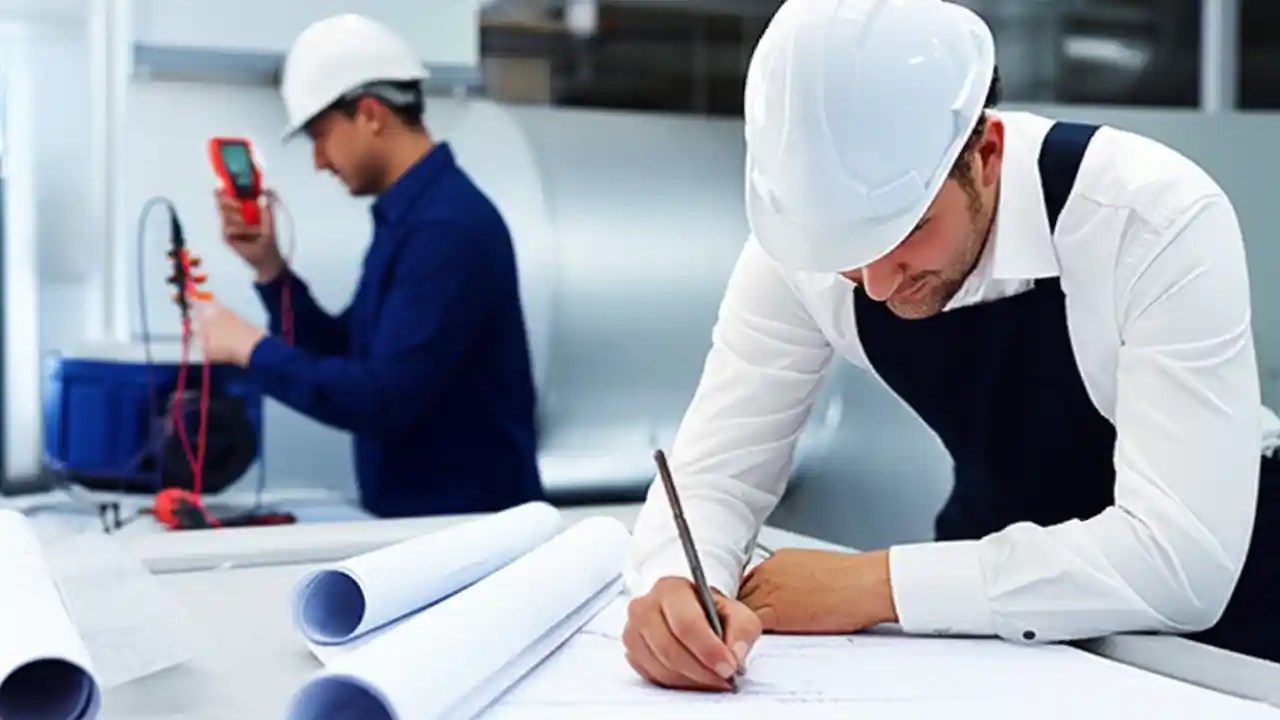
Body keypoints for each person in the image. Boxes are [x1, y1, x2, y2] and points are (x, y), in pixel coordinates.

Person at [621, 0, 1280, 691]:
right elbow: (715, 475)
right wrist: (675, 588)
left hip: (1228, 627)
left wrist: (873, 584)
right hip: (992, 613)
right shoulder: (803, 247)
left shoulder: (1152, 217)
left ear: (987, 153)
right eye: (846, 253)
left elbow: (1182, 562)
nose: (874, 285)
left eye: (906, 231)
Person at [197, 14, 544, 518]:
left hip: (470, 532)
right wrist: (270, 270)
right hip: (434, 524)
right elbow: (351, 354)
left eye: (321, 135)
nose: (318, 160)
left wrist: (252, 350)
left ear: (370, 115)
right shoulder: (411, 219)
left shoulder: (447, 229)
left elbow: (382, 399)